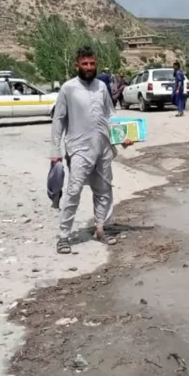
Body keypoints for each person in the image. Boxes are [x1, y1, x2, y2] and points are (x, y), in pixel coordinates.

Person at [50, 46, 134, 254]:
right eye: (85, 64)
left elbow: (111, 115)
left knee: (104, 190)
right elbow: (58, 120)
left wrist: (123, 138)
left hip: (103, 147)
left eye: (92, 64)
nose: (89, 67)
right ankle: (64, 236)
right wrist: (55, 150)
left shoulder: (102, 87)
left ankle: (100, 228)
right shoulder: (68, 89)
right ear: (77, 65)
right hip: (79, 148)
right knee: (73, 191)